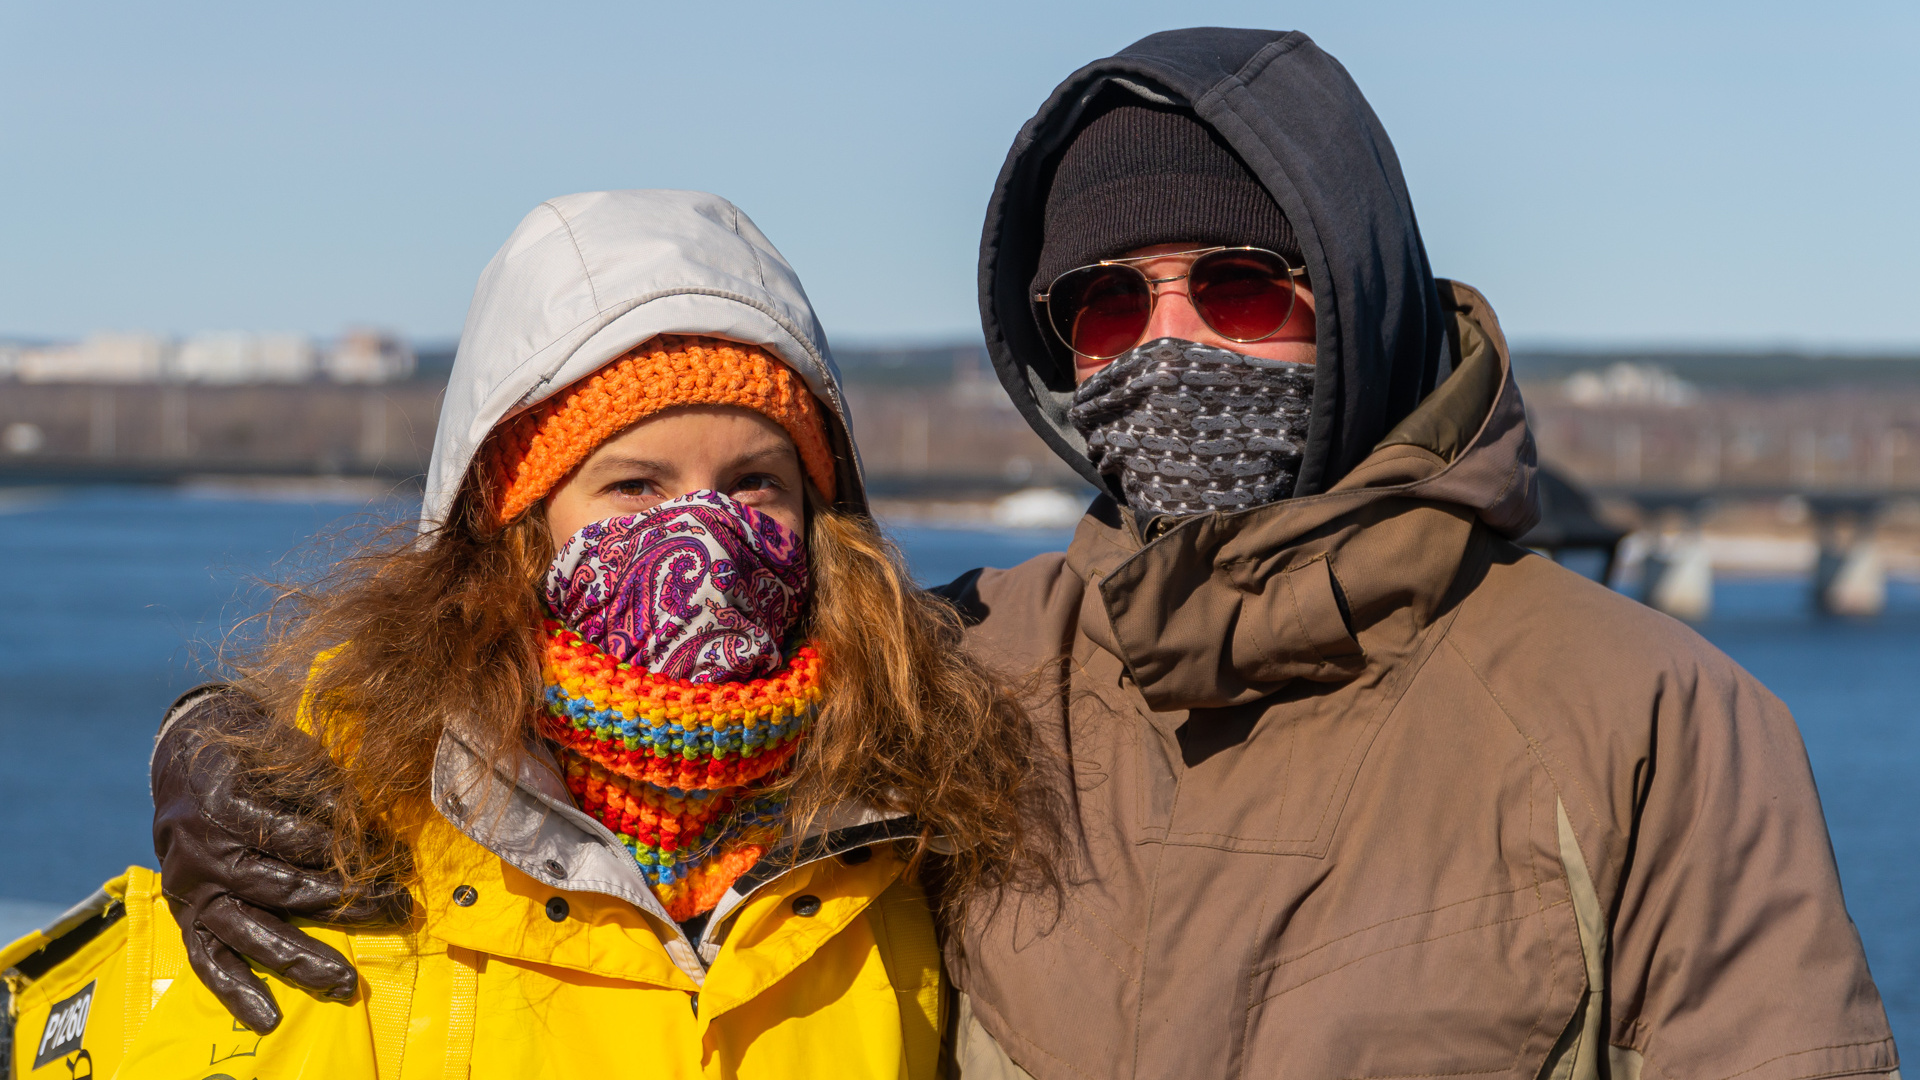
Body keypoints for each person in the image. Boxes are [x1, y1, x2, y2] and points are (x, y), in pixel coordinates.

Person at [131, 28, 1899, 1080]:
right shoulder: (968, 676)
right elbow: (579, 766)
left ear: (1356, 293)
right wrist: (241, 755)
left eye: (1247, 287)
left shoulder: (1651, 721)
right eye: (1106, 305)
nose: (1173, 341)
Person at [0, 189, 1053, 1079]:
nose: (704, 532)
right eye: (632, 484)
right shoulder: (333, 837)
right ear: (517, 526)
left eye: (756, 483)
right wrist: (219, 739)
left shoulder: (924, 823)